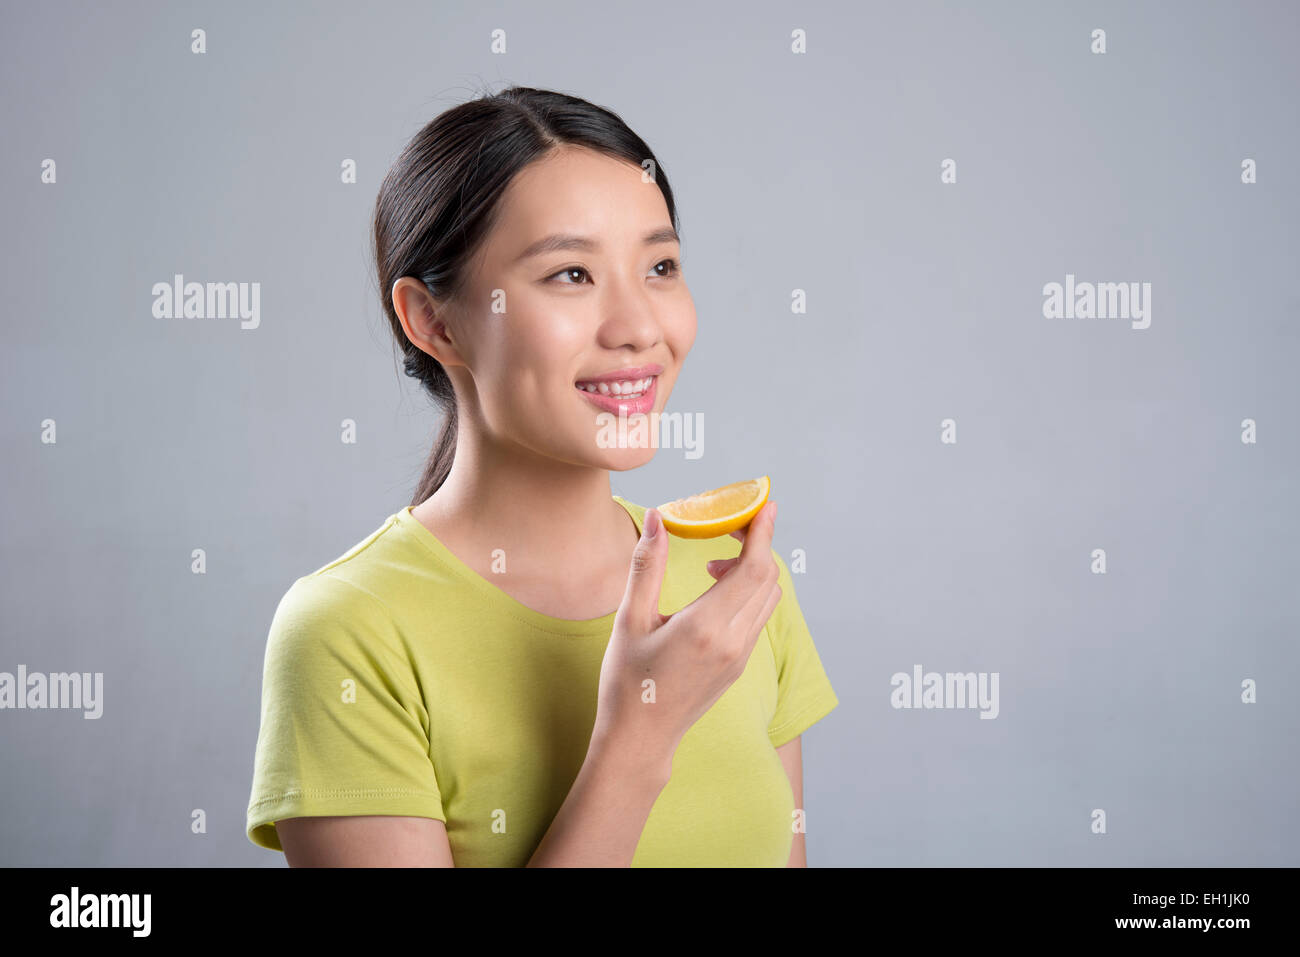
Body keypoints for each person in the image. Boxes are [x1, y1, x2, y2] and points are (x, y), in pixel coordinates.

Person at [245, 85, 838, 866]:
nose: (639, 328)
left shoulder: (733, 583)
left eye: (660, 266)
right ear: (432, 320)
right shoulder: (348, 633)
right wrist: (639, 734)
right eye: (570, 275)